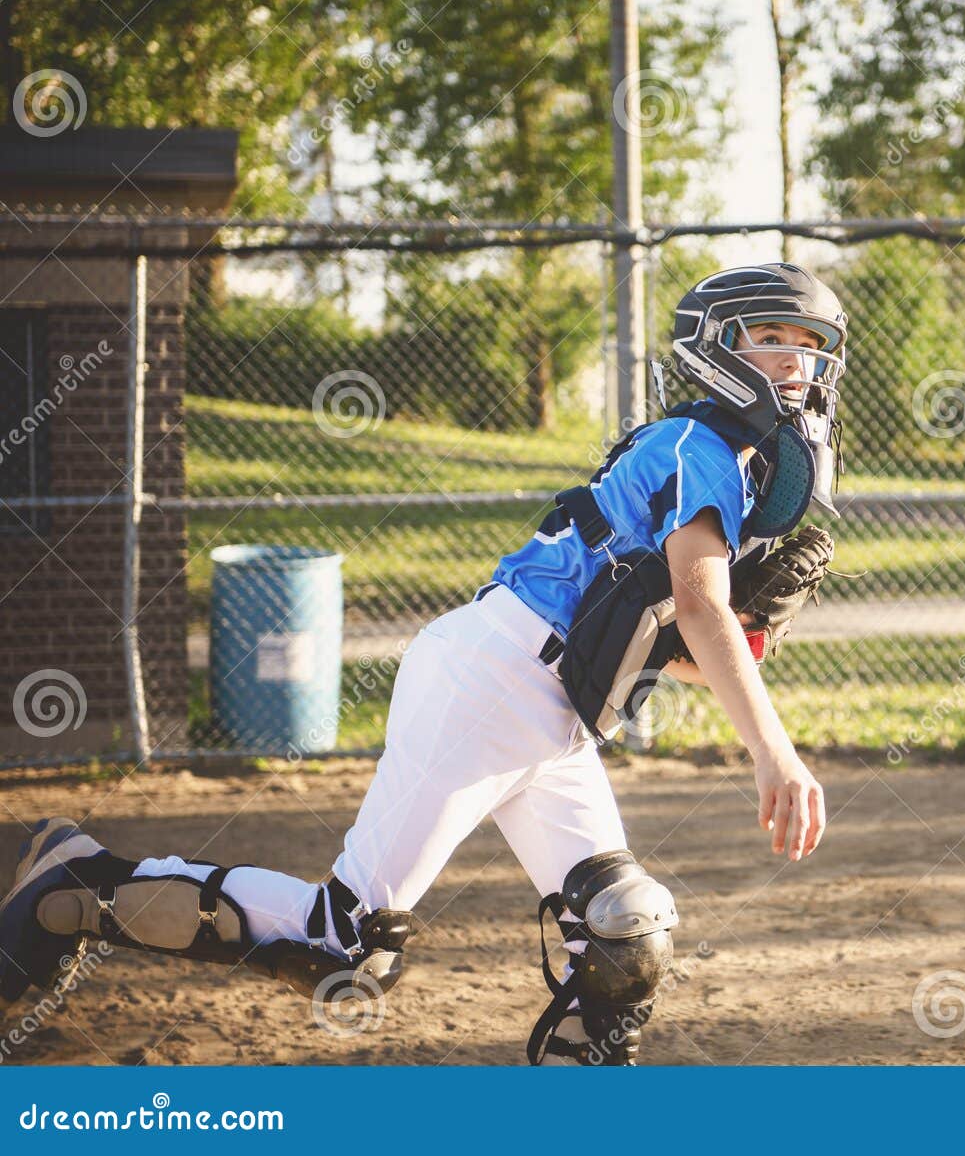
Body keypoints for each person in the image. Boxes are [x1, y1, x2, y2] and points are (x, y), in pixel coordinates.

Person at [0, 262, 849, 1066]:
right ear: (717, 348)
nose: (796, 359)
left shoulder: (731, 468)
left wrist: (750, 632)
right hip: (493, 681)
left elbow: (686, 633)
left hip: (551, 713)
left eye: (808, 343)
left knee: (625, 930)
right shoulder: (703, 444)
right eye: (772, 334)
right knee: (346, 944)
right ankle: (80, 882)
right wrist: (773, 753)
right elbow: (698, 608)